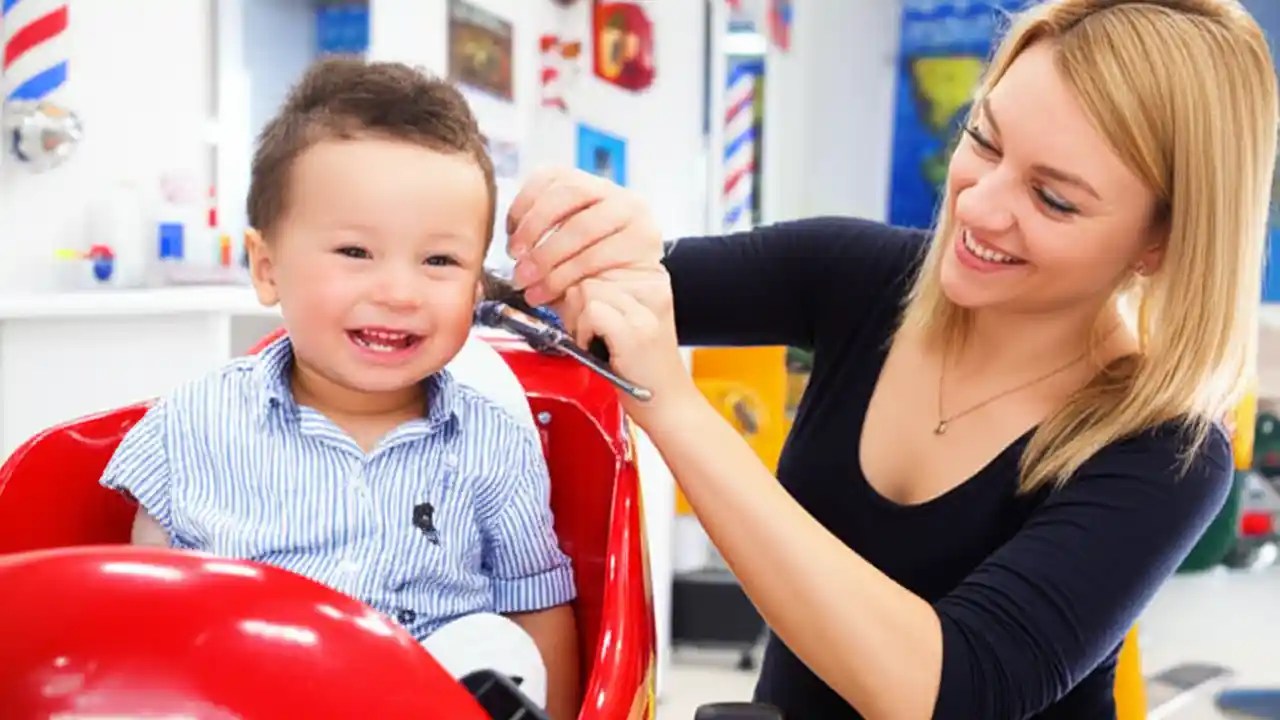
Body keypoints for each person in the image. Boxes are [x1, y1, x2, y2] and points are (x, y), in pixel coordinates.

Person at [502, 0, 1277, 717]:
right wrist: (576, 232)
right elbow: (586, 293)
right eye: (984, 140)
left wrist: (671, 407)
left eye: (1055, 199)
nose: (975, 204)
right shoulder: (858, 276)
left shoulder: (1166, 451)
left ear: (1160, 243)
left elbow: (949, 691)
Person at [99, 57, 580, 720]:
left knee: (497, 646)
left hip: (424, 699)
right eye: (355, 252)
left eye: (440, 261)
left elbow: (537, 606)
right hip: (241, 698)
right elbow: (144, 600)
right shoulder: (192, 422)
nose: (398, 292)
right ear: (267, 269)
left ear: (475, 291)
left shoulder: (492, 444)